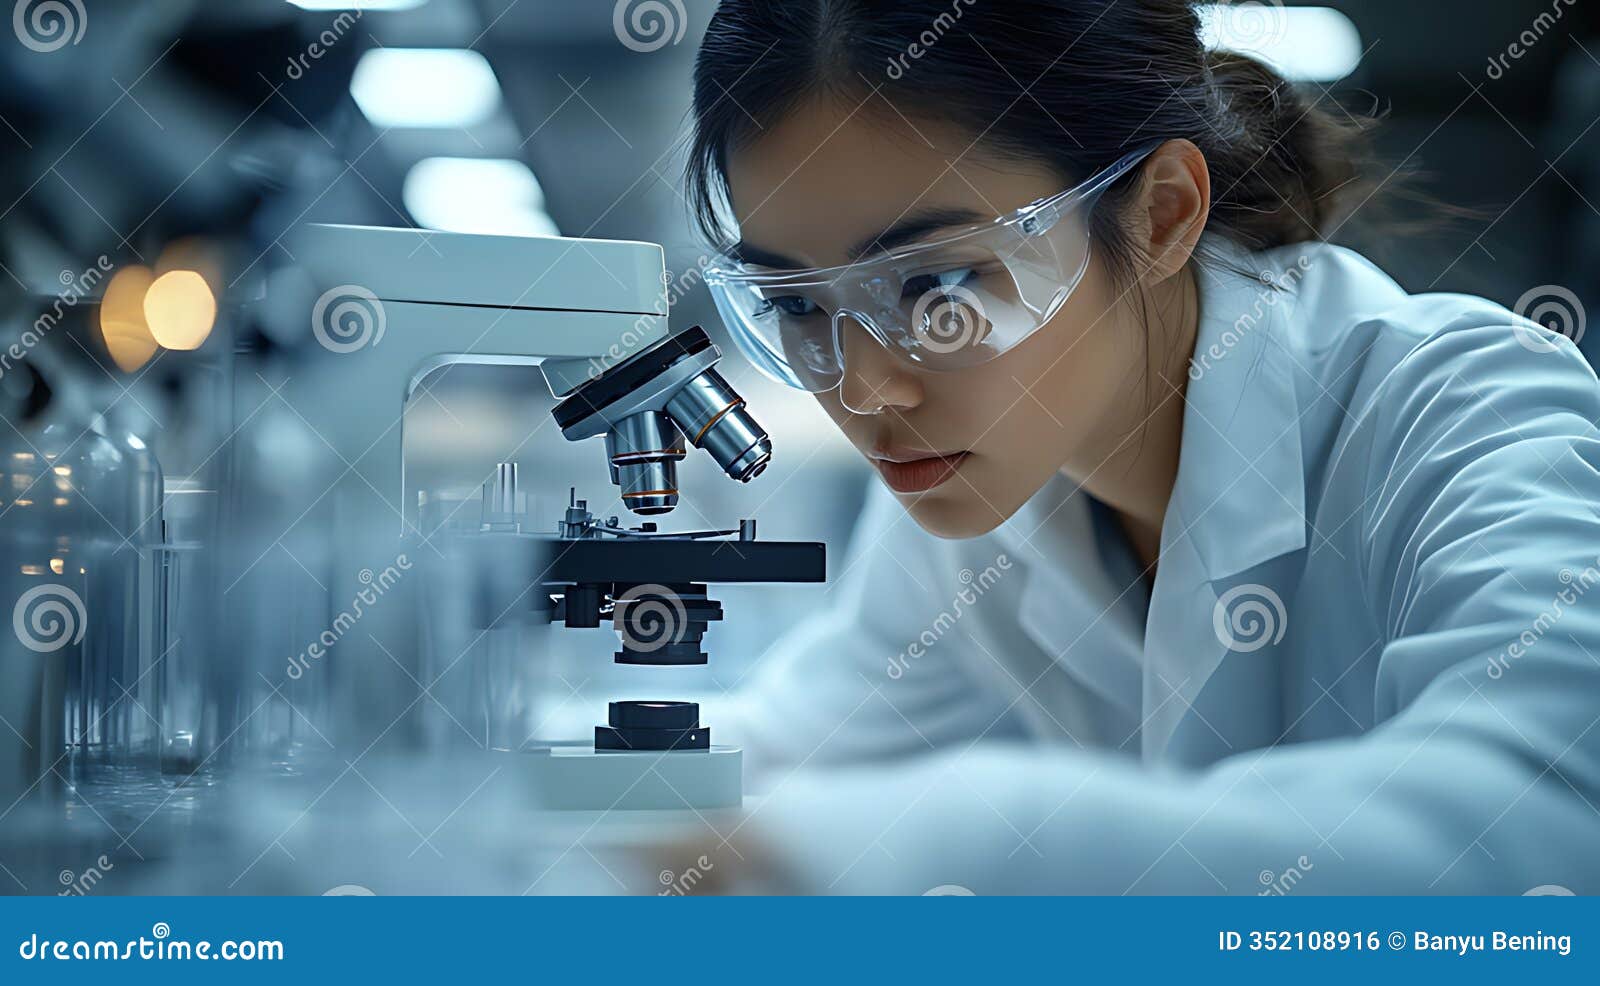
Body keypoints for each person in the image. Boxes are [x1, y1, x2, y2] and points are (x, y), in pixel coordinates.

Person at [663, 0, 1600, 893]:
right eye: (795, 305)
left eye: (939, 287)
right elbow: (786, 751)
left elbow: (1546, 831)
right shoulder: (971, 495)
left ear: (1161, 215)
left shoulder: (1465, 406)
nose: (864, 390)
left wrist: (974, 836)